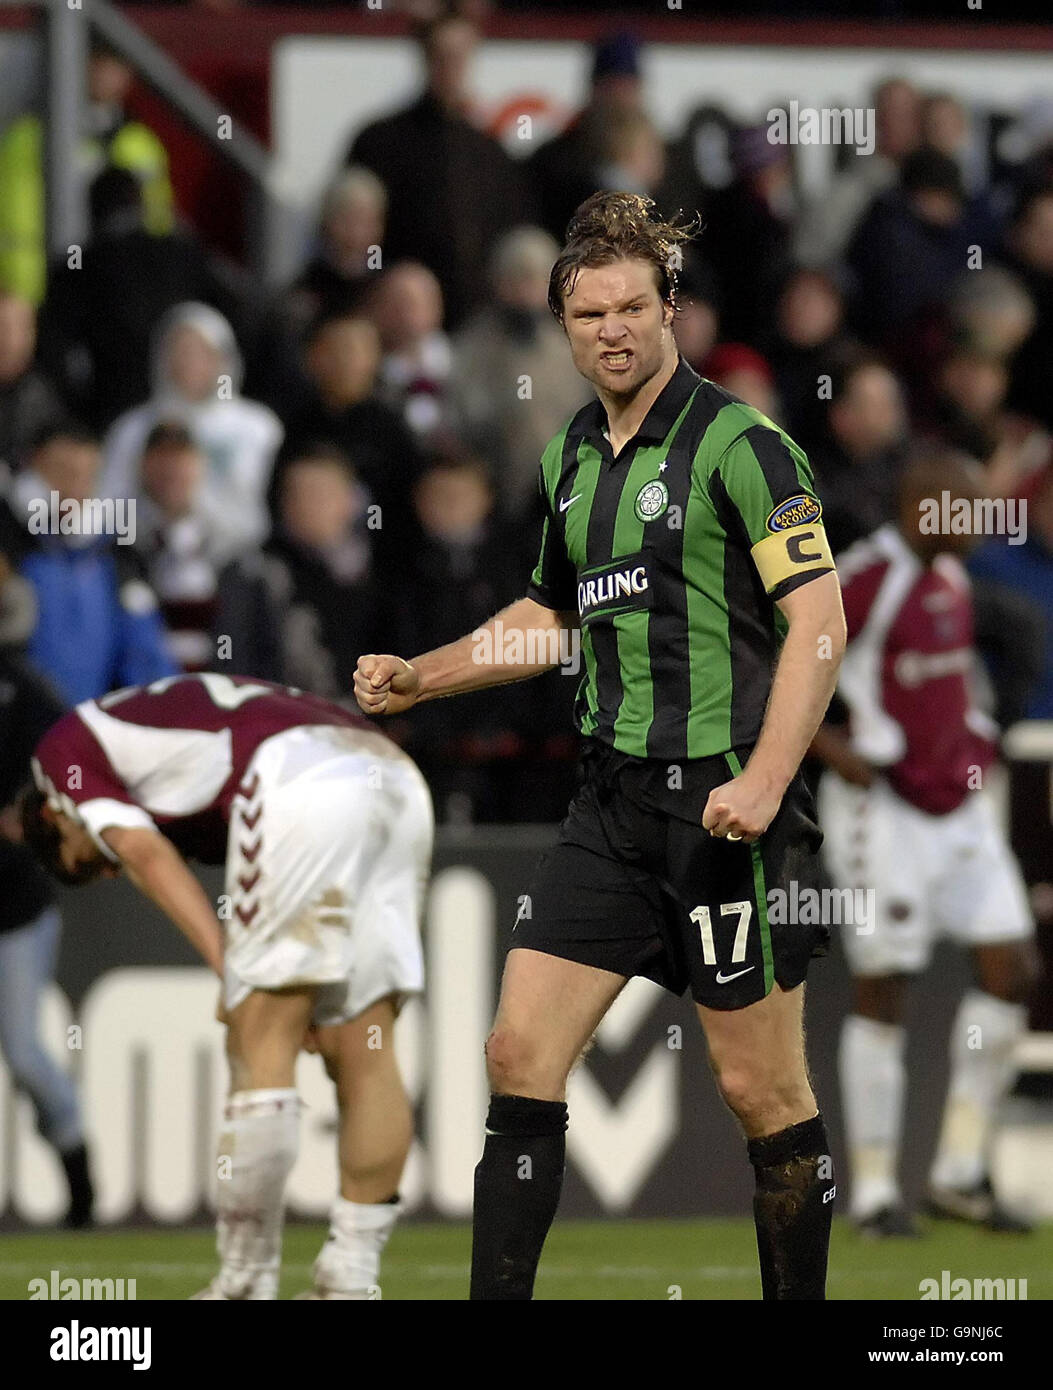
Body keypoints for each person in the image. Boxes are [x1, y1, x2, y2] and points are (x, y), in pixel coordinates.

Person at [355, 192, 846, 1301]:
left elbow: (821, 620)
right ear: (563, 327)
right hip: (610, 808)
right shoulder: (574, 454)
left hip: (728, 811)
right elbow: (549, 617)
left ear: (673, 309)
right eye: (588, 315)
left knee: (762, 1092)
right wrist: (421, 674)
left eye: (633, 307)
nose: (612, 330)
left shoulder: (742, 445)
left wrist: (767, 782)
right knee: (516, 1054)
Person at [22, 673, 433, 1300]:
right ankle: (350, 1277)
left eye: (90, 861)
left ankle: (244, 1281)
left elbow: (146, 854)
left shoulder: (59, 760)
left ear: (56, 812)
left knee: (256, 1042)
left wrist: (230, 967)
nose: (108, 865)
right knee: (368, 1050)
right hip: (394, 778)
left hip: (299, 777)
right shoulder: (151, 724)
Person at [813, 450, 1039, 1235]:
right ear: (925, 507)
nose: (982, 527)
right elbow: (774, 660)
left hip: (962, 803)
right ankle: (874, 1190)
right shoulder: (861, 579)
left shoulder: (949, 575)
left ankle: (957, 1172)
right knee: (886, 985)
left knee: (1012, 967)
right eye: (969, 511)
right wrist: (831, 750)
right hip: (885, 810)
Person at [0, 557, 93, 1227]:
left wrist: (36, 808)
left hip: (12, 905)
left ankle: (77, 1165)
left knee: (25, 1051)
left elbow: (77, 755)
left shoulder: (22, 686)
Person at [5, 424, 177, 704]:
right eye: (63, 473)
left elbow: (146, 659)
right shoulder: (12, 552)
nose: (74, 489)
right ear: (33, 473)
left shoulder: (118, 558)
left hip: (88, 728)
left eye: (87, 477)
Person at [100, 303, 282, 559]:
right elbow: (110, 503)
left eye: (201, 352)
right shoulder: (132, 427)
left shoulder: (257, 427)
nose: (189, 362)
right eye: (179, 351)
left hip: (237, 558)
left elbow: (262, 505)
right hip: (147, 557)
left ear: (223, 357)